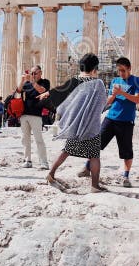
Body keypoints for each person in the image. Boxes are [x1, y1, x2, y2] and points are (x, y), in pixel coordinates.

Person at [40, 53, 108, 193]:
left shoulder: (73, 81)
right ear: (95, 68)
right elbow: (102, 104)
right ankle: (95, 186)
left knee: (66, 151)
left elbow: (57, 94)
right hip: (90, 126)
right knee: (94, 155)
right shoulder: (98, 83)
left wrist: (46, 94)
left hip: (75, 125)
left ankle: (50, 174)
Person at [78, 57, 139, 188]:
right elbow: (109, 101)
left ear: (129, 68)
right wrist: (113, 95)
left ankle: (125, 176)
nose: (121, 73)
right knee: (96, 143)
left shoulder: (136, 81)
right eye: (119, 71)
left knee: (126, 151)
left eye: (123, 71)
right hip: (111, 118)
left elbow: (137, 100)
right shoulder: (115, 80)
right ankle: (87, 167)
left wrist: (122, 93)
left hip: (126, 121)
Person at [16, 65, 50, 169]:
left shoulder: (45, 82)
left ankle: (44, 162)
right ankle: (27, 160)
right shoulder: (27, 84)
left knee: (38, 139)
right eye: (31, 73)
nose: (33, 75)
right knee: (25, 139)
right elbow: (18, 91)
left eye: (35, 73)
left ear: (40, 73)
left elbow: (41, 91)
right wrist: (22, 80)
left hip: (36, 115)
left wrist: (32, 81)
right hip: (24, 114)